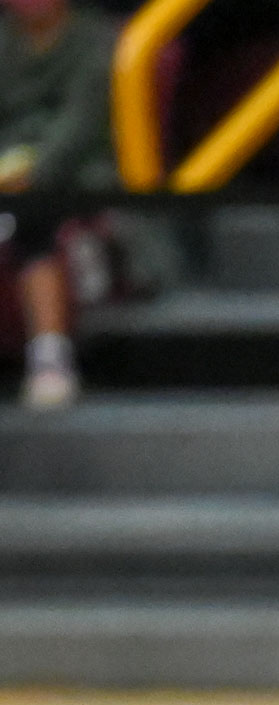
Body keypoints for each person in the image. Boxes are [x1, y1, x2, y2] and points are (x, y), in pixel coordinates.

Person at [0, 0, 115, 411]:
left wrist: (30, 173)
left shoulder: (96, 39)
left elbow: (80, 127)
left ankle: (50, 359)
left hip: (75, 173)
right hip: (6, 168)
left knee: (34, 215)